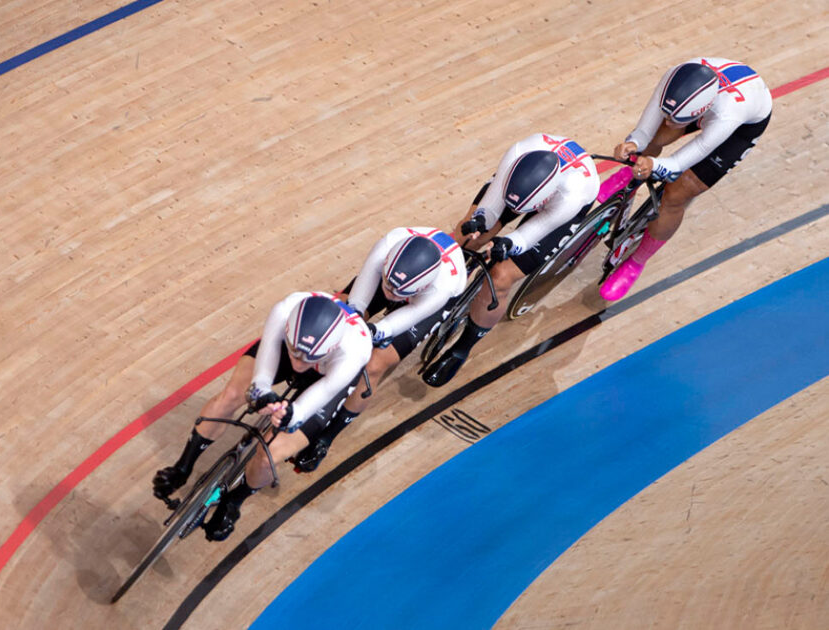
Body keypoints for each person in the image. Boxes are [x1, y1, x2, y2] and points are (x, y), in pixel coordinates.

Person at [152, 292, 371, 541]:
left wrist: (291, 414)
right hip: (287, 351)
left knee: (270, 454)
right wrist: (262, 391)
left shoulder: (354, 352)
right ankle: (183, 467)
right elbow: (263, 372)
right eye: (295, 353)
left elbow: (313, 402)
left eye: (306, 358)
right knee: (232, 395)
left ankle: (235, 501)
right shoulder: (285, 309)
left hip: (326, 376)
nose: (299, 363)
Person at [423, 133, 599, 386]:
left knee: (501, 276)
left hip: (557, 212)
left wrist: (508, 243)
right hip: (518, 187)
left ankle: (462, 347)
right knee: (468, 235)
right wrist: (480, 220)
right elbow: (491, 205)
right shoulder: (517, 152)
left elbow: (529, 236)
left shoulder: (573, 195)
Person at [289, 227, 467, 472]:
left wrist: (377, 331)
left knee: (375, 364)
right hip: (393, 273)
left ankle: (327, 436)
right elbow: (357, 303)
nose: (390, 295)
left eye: (397, 293)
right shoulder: (387, 246)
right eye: (389, 288)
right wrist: (356, 316)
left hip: (423, 303)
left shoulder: (441, 288)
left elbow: (398, 322)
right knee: (341, 317)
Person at [602, 57, 771, 300]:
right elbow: (644, 131)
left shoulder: (727, 115)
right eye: (669, 116)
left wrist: (655, 164)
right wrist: (634, 144)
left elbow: (679, 164)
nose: (669, 123)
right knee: (655, 138)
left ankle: (637, 261)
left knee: (678, 193)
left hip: (742, 125)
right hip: (694, 101)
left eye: (676, 121)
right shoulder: (674, 77)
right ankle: (627, 177)